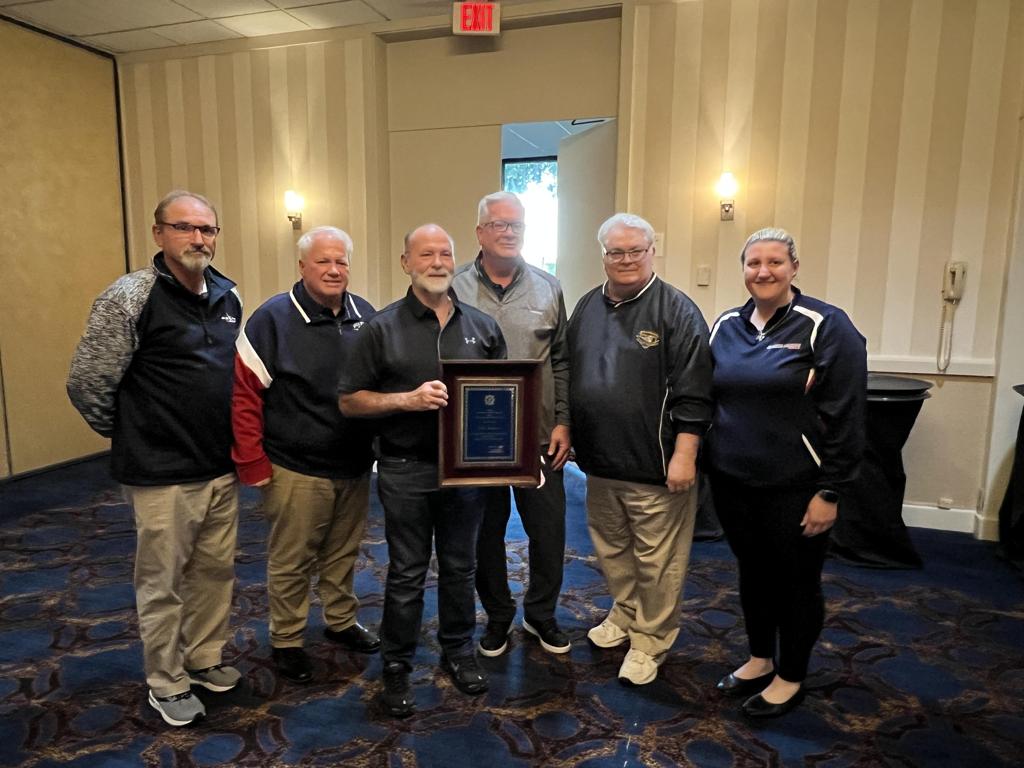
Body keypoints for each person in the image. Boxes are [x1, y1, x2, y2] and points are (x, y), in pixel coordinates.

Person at [67, 190, 242, 727]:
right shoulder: (130, 297)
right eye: (185, 227)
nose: (198, 239)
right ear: (158, 233)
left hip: (218, 465)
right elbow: (88, 381)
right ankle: (165, 681)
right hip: (161, 474)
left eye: (207, 229)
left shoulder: (228, 296)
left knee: (214, 573)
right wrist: (132, 434)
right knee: (162, 583)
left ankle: (204, 658)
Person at [338, 223, 507, 717]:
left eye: (445, 253)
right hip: (405, 470)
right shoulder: (380, 328)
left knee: (460, 567)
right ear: (406, 263)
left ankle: (458, 650)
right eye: (426, 254)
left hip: (466, 475)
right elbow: (350, 401)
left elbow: (504, 399)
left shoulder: (482, 325)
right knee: (408, 573)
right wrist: (406, 400)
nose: (437, 262)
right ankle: (396, 664)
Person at [706, 227, 866, 718]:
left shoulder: (825, 325)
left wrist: (830, 490)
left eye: (775, 262)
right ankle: (759, 659)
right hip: (733, 481)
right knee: (753, 574)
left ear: (794, 267)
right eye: (753, 263)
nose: (763, 271)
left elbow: (847, 414)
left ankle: (790, 676)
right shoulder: (725, 325)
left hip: (797, 486)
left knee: (796, 581)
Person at [567, 212, 712, 686]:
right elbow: (569, 376)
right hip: (600, 463)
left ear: (653, 252)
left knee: (658, 563)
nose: (626, 259)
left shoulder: (677, 311)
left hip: (657, 467)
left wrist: (685, 453)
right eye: (616, 252)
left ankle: (651, 641)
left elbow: (694, 391)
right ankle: (626, 614)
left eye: (636, 250)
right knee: (614, 552)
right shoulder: (587, 307)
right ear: (603, 256)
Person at [231, 226, 379, 685]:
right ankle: (287, 639)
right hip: (294, 467)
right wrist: (252, 462)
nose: (334, 270)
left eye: (342, 262)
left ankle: (340, 620)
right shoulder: (272, 318)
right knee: (292, 558)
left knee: (343, 552)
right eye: (323, 262)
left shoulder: (366, 316)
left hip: (354, 465)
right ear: (302, 266)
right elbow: (244, 395)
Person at [451, 191, 572, 657]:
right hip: (475, 442)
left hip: (539, 438)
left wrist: (564, 422)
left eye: (516, 225)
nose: (508, 232)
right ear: (480, 232)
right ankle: (498, 616)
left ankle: (542, 615)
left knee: (549, 532)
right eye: (498, 224)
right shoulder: (453, 287)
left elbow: (561, 361)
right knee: (486, 534)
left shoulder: (549, 287)